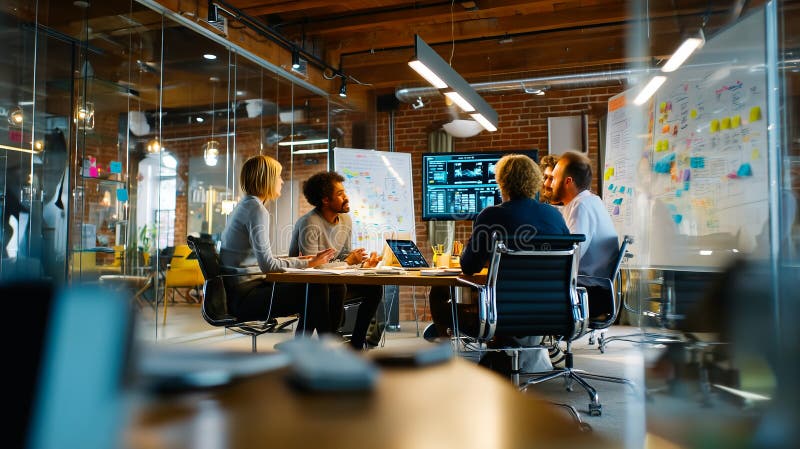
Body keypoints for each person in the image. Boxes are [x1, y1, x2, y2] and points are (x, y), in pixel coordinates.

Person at [428, 154, 570, 339]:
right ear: (536, 180)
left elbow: (469, 266)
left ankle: (450, 358)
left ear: (501, 183)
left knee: (438, 292)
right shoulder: (554, 215)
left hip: (500, 314)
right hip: (552, 312)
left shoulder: (490, 216)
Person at [220, 155, 336, 335]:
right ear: (266, 179)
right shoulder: (257, 210)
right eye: (279, 176)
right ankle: (324, 350)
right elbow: (268, 265)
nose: (282, 181)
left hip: (241, 292)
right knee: (317, 289)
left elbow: (263, 261)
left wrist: (298, 260)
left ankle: (307, 349)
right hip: (245, 298)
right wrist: (308, 263)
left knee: (315, 288)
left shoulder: (246, 206)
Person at [289, 171, 384, 349]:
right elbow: (313, 268)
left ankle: (356, 345)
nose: (346, 197)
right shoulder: (310, 223)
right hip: (307, 283)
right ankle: (329, 344)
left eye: (344, 192)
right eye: (340, 194)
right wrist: (348, 261)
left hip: (332, 280)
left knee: (375, 288)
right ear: (325, 200)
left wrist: (361, 263)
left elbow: (343, 256)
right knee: (329, 287)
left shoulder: (346, 220)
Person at [549, 151, 619, 318]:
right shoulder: (591, 201)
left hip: (588, 294)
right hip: (594, 290)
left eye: (554, 178)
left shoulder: (582, 206)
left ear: (568, 181)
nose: (550, 184)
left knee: (525, 287)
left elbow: (571, 256)